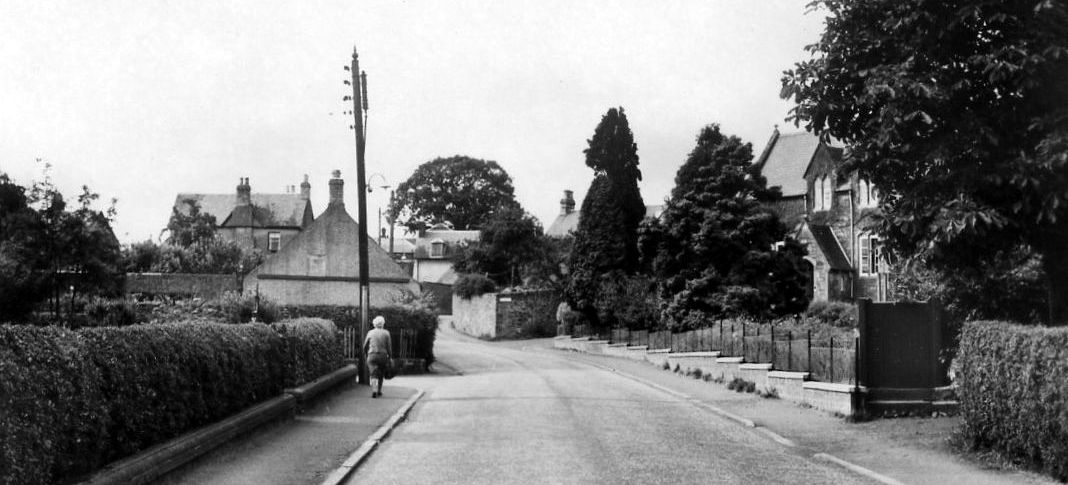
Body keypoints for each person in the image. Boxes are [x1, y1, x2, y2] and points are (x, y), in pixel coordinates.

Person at [363, 315, 392, 398]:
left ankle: (374, 390)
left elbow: (365, 346)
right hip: (383, 356)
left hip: (372, 355)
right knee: (381, 374)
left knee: (373, 374)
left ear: (374, 324)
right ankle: (379, 390)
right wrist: (390, 356)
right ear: (383, 324)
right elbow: (389, 347)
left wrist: (366, 354)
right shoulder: (386, 333)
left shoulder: (370, 332)